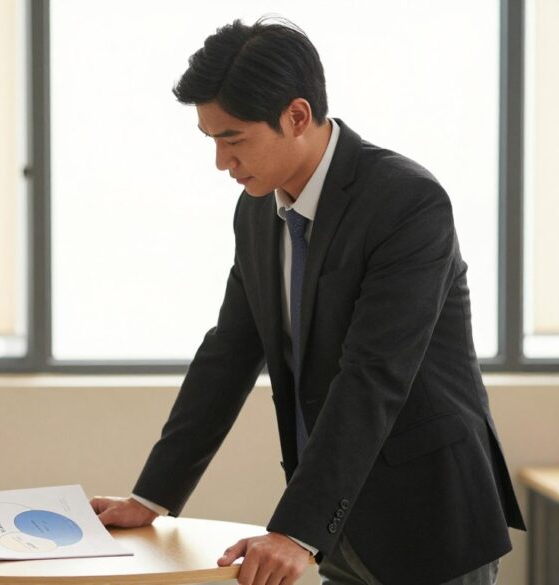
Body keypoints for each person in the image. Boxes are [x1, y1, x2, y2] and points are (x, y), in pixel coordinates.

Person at [90, 18, 524, 585]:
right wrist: (152, 496)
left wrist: (295, 530)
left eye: (233, 138)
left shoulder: (406, 202)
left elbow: (373, 374)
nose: (221, 162)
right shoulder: (258, 208)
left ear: (296, 116)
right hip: (334, 522)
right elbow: (228, 355)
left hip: (428, 515)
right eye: (211, 139)